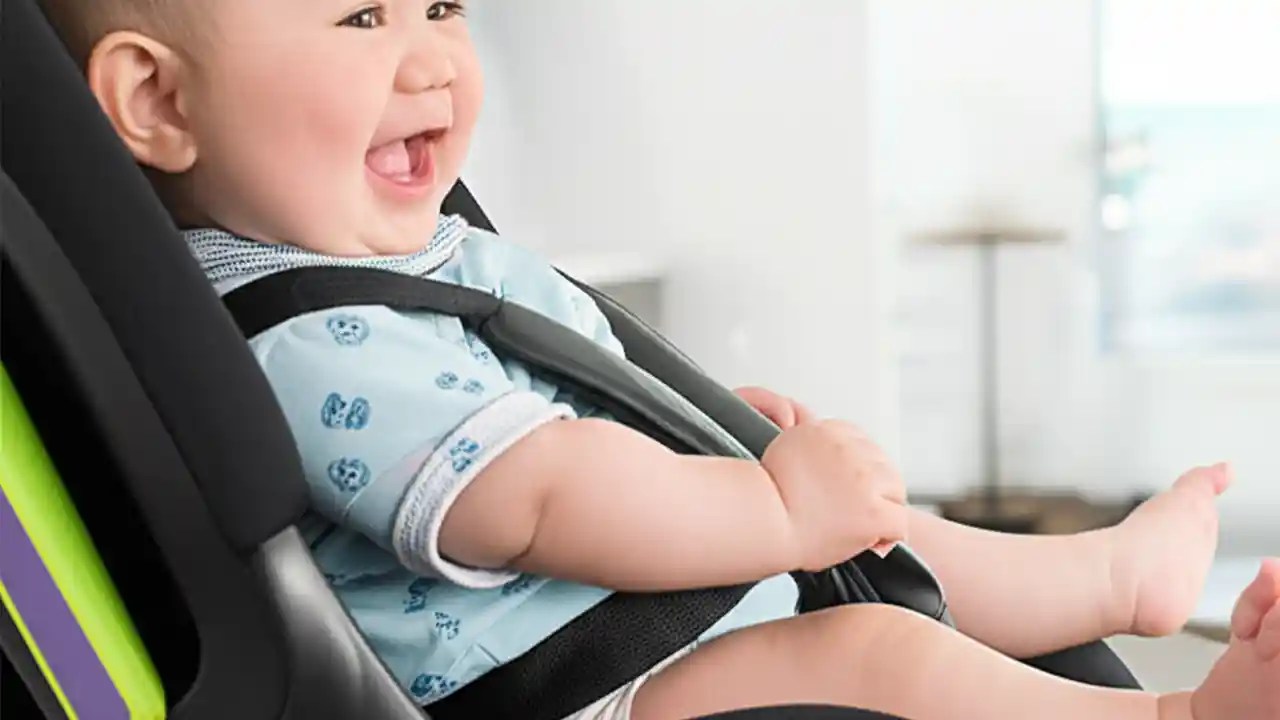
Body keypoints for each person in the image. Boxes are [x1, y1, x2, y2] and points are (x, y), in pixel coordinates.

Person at [43, 1, 1280, 718]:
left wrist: (687, 427)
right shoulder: (296, 338)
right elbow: (526, 502)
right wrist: (771, 502)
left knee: (888, 540)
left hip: (651, 620)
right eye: (361, 14)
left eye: (438, 6)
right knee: (870, 647)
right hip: (591, 693)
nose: (429, 56)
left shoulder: (418, 257)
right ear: (157, 103)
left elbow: (542, 406)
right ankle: (1171, 714)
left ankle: (1107, 577)